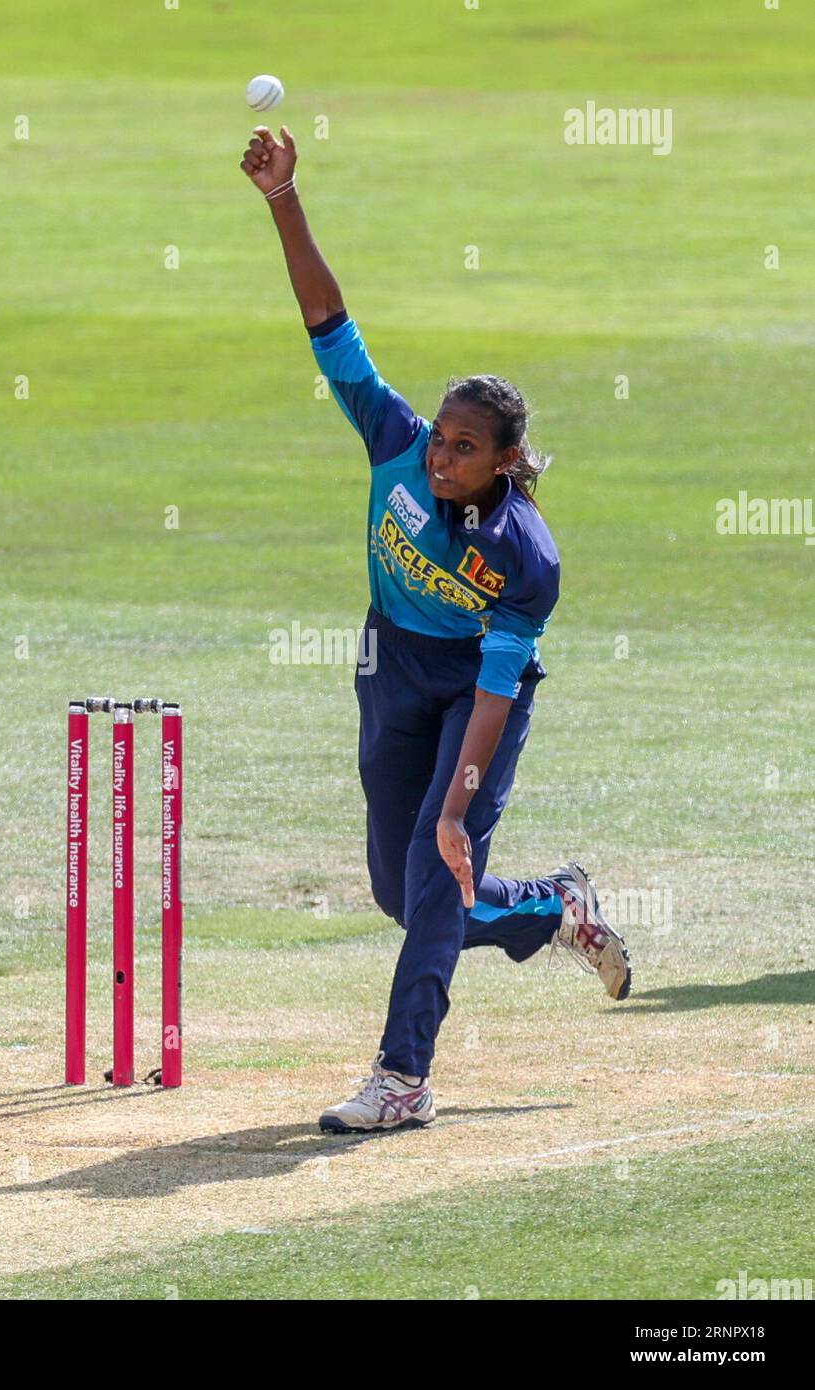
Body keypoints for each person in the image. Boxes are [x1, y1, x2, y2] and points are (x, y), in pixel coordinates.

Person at [240, 125, 631, 1135]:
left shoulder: (524, 555)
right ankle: (551, 907)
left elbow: (498, 686)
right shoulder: (393, 442)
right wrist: (283, 197)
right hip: (389, 663)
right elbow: (328, 321)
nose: (440, 459)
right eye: (441, 439)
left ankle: (402, 1077)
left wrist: (458, 809)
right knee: (402, 890)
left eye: (464, 449)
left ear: (504, 461)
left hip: (474, 692)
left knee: (435, 867)